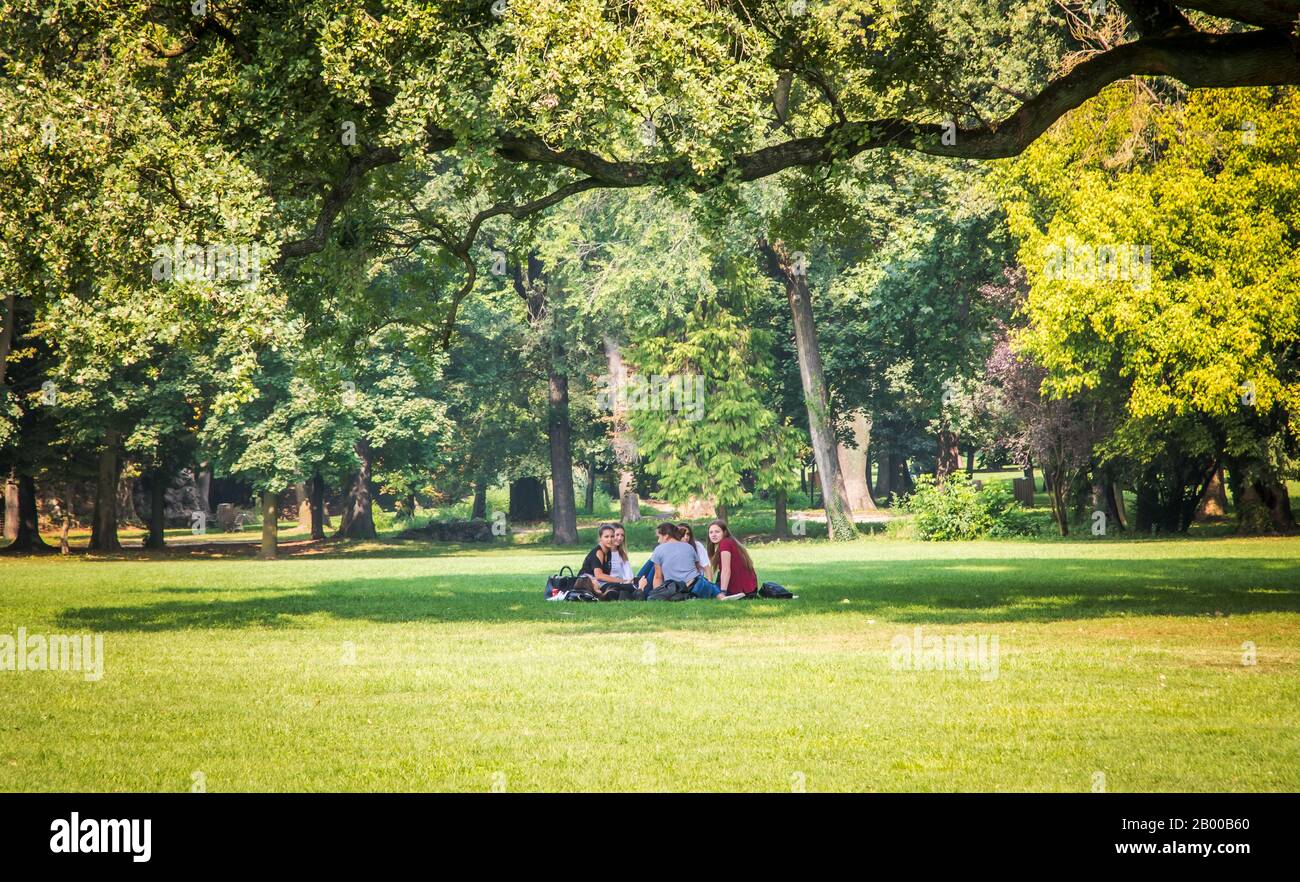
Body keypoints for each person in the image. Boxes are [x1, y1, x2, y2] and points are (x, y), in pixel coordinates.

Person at [649, 522, 738, 600]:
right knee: (708, 585)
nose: (658, 540)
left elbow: (658, 577)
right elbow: (697, 567)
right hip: (694, 585)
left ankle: (686, 596)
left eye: (659, 537)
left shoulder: (658, 549)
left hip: (673, 588)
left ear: (666, 536)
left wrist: (658, 592)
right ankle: (721, 596)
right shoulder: (689, 547)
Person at [706, 519, 758, 598]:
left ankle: (732, 595)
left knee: (703, 586)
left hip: (739, 588)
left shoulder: (725, 543)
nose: (713, 535)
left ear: (725, 532)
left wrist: (723, 592)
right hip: (751, 589)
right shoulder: (731, 542)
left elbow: (726, 570)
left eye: (717, 532)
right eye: (711, 532)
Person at [580, 524, 634, 598]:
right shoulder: (598, 552)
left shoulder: (608, 552)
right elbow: (599, 576)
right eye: (606, 537)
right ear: (600, 538)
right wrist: (622, 581)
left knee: (625, 588)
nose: (610, 540)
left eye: (612, 536)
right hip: (588, 582)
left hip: (600, 582)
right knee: (621, 587)